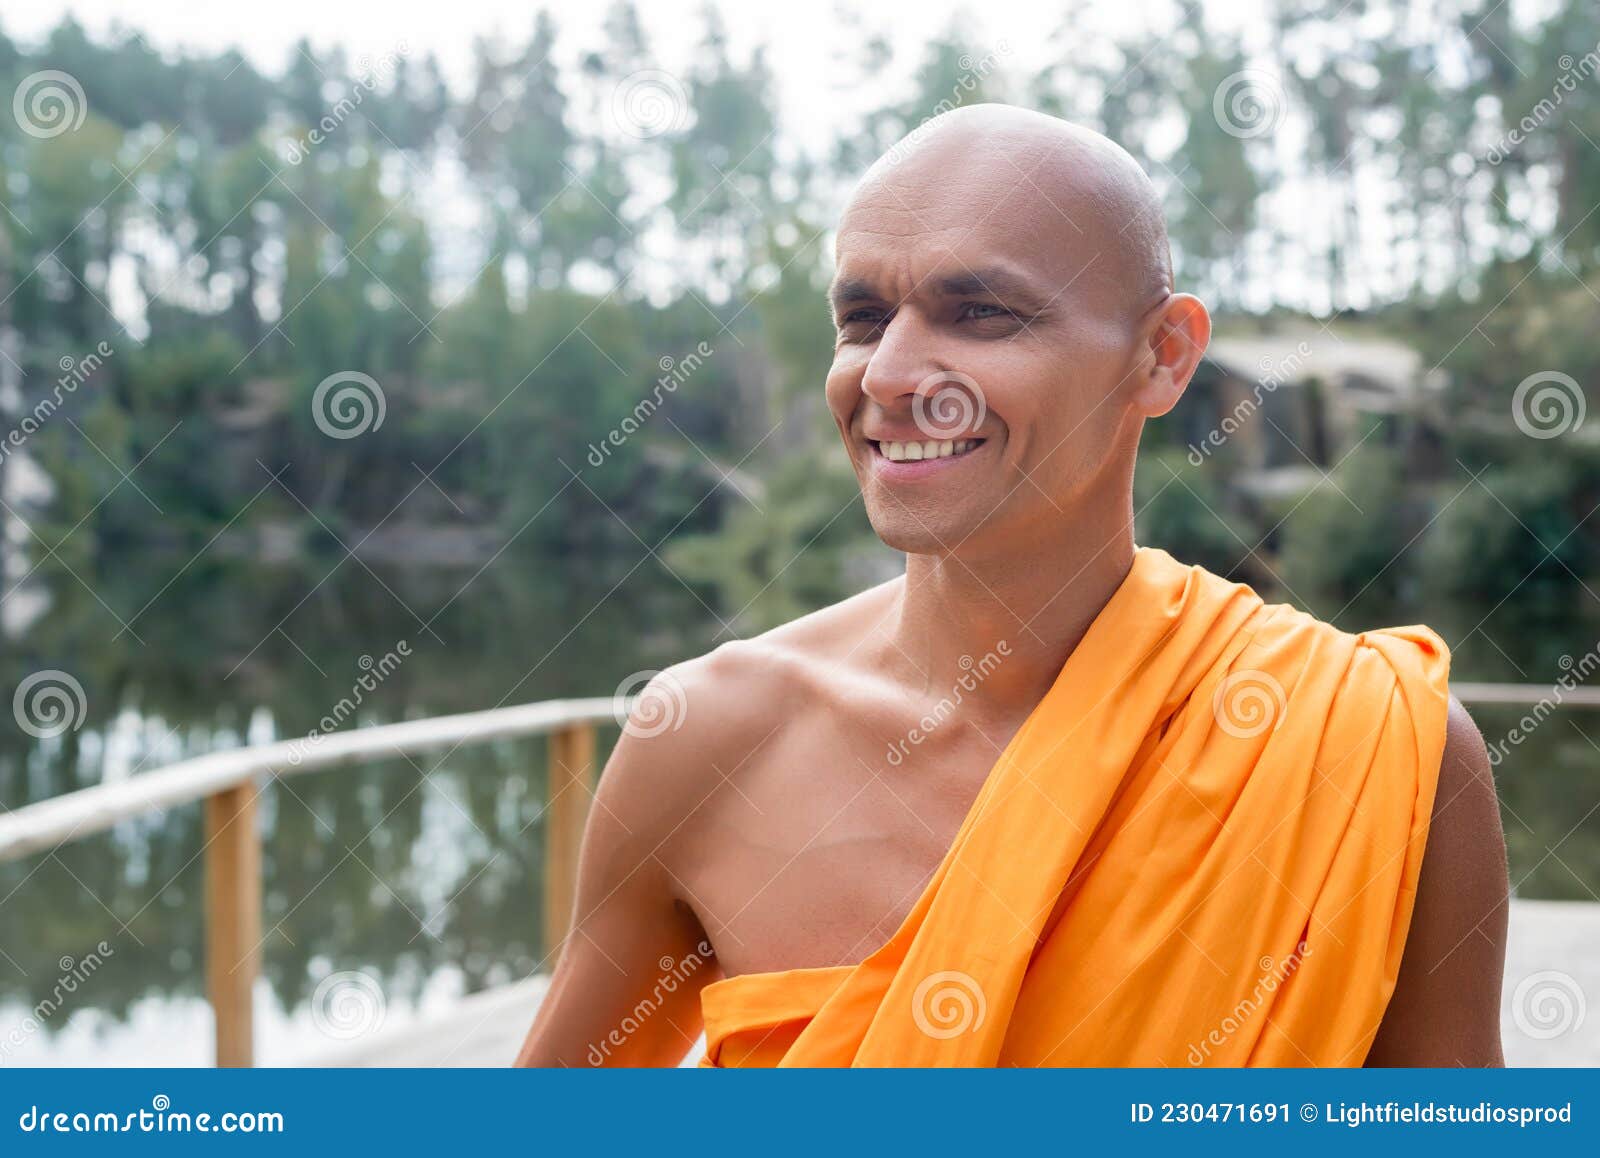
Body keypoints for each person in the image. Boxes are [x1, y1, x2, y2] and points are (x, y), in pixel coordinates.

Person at [515, 103, 1508, 1068]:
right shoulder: (703, 742)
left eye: (980, 313)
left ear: (1161, 357)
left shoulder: (1367, 753)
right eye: (861, 318)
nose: (891, 373)